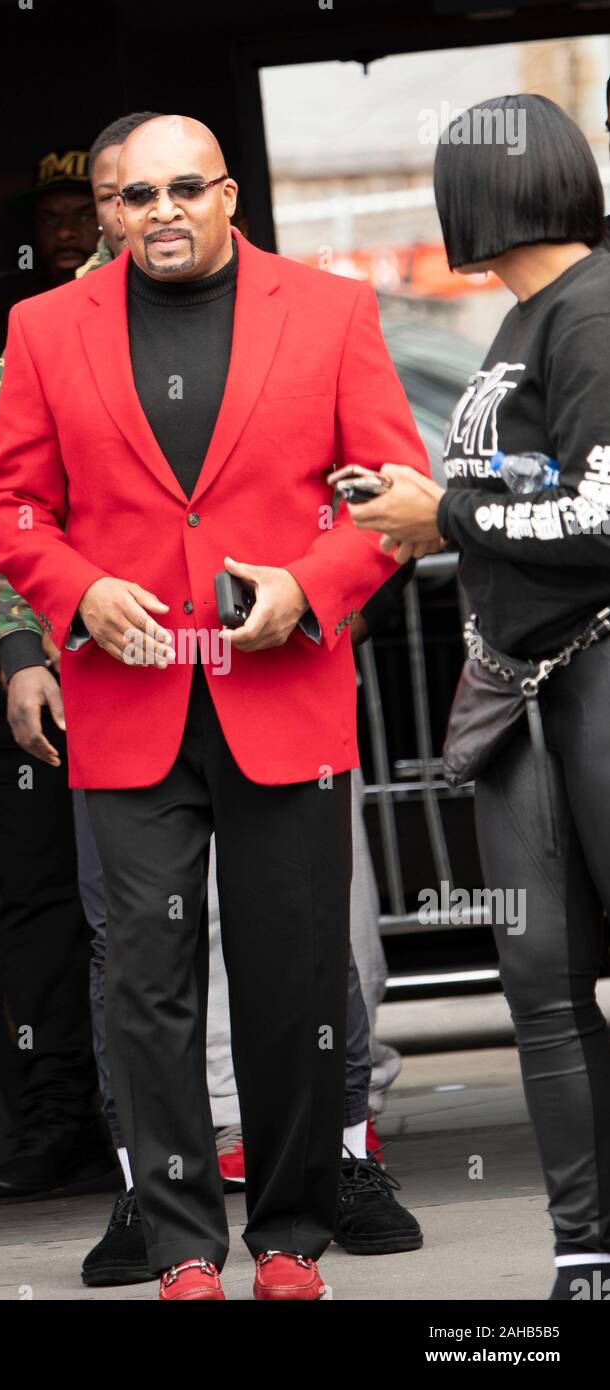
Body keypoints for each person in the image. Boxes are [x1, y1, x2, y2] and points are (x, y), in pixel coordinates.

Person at [0, 113, 429, 1300]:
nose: (158, 211)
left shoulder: (327, 311)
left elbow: (385, 499)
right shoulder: (42, 328)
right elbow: (9, 507)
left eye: (184, 188)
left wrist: (303, 586)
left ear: (229, 195)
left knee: (292, 978)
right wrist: (75, 594)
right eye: (130, 196)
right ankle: (179, 1243)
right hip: (128, 708)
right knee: (146, 981)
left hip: (281, 693)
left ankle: (288, 1235)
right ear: (106, 213)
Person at [349, 93, 610, 1301]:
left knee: (555, 990)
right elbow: (532, 475)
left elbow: (601, 513)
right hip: (521, 698)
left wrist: (437, 513)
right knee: (540, 989)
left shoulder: (591, 308)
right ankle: (586, 1256)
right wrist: (424, 492)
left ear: (483, 191)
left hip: (589, 677)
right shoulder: (519, 322)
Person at [0, 148, 116, 1205]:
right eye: (52, 211)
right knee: (43, 895)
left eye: (77, 208)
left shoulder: (176, 317)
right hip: (32, 648)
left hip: (155, 654)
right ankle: (61, 1113)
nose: (66, 229)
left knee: (162, 906)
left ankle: (209, 1122)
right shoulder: (5, 339)